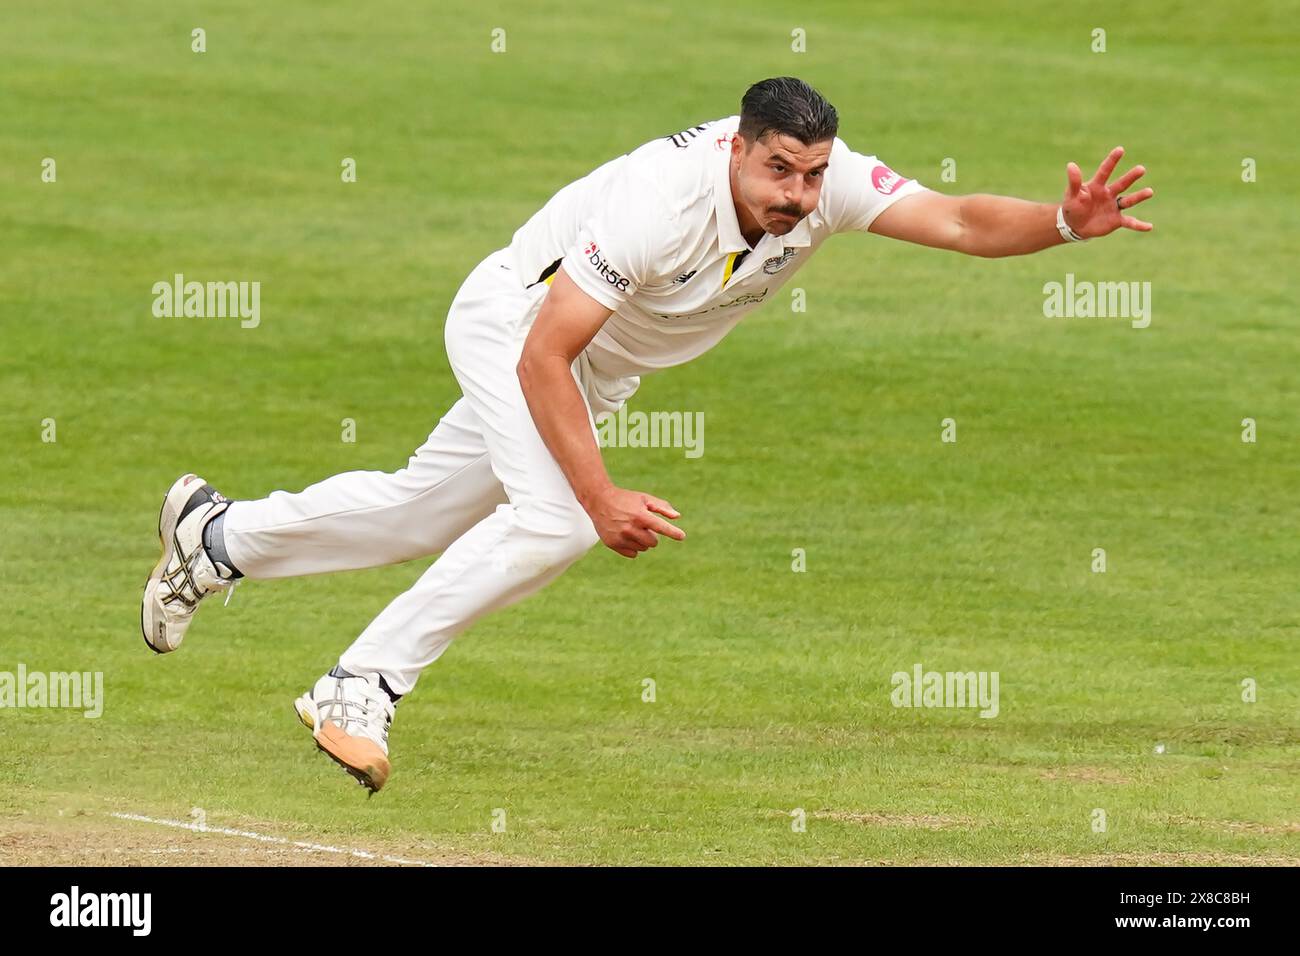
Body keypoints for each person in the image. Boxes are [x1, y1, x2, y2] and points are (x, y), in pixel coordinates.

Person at [140, 76, 1154, 791]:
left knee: (421, 511)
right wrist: (598, 496)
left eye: (811, 177)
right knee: (555, 522)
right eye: (779, 173)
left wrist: (1060, 226)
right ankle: (359, 680)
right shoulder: (657, 204)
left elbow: (961, 221)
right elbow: (544, 355)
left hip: (599, 365)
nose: (797, 198)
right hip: (517, 324)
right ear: (736, 150)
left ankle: (215, 540)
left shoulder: (824, 183)